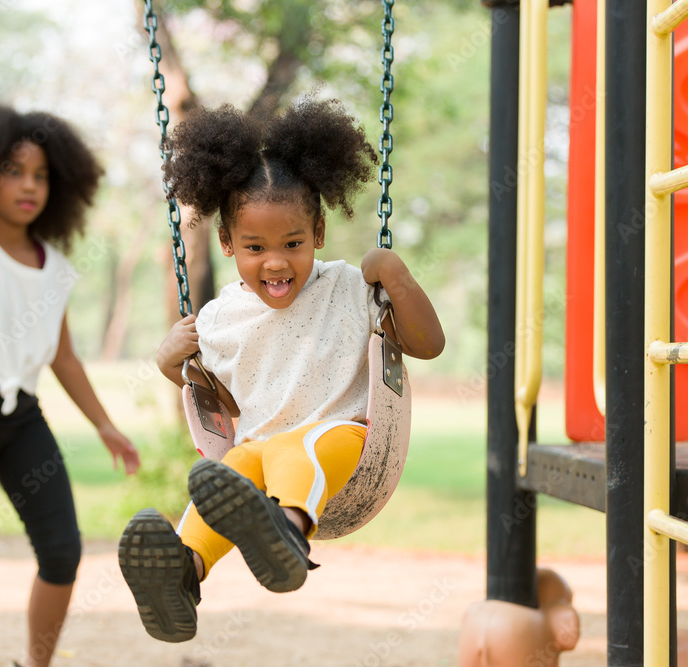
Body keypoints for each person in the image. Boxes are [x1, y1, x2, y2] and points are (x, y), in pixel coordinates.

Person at [118, 99, 445, 642]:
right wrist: (170, 364)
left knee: (296, 448)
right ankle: (182, 572)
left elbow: (427, 345)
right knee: (232, 468)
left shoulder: (348, 288)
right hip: (262, 453)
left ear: (318, 232)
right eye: (255, 247)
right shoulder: (219, 318)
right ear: (227, 244)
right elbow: (217, 403)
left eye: (292, 243)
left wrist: (396, 276)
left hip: (346, 442)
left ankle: (287, 534)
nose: (275, 261)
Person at [0, 104, 140, 667]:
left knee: (62, 553)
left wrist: (105, 425)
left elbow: (62, 355)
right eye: (14, 171)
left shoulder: (54, 267)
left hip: (23, 420)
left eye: (40, 175)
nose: (29, 186)